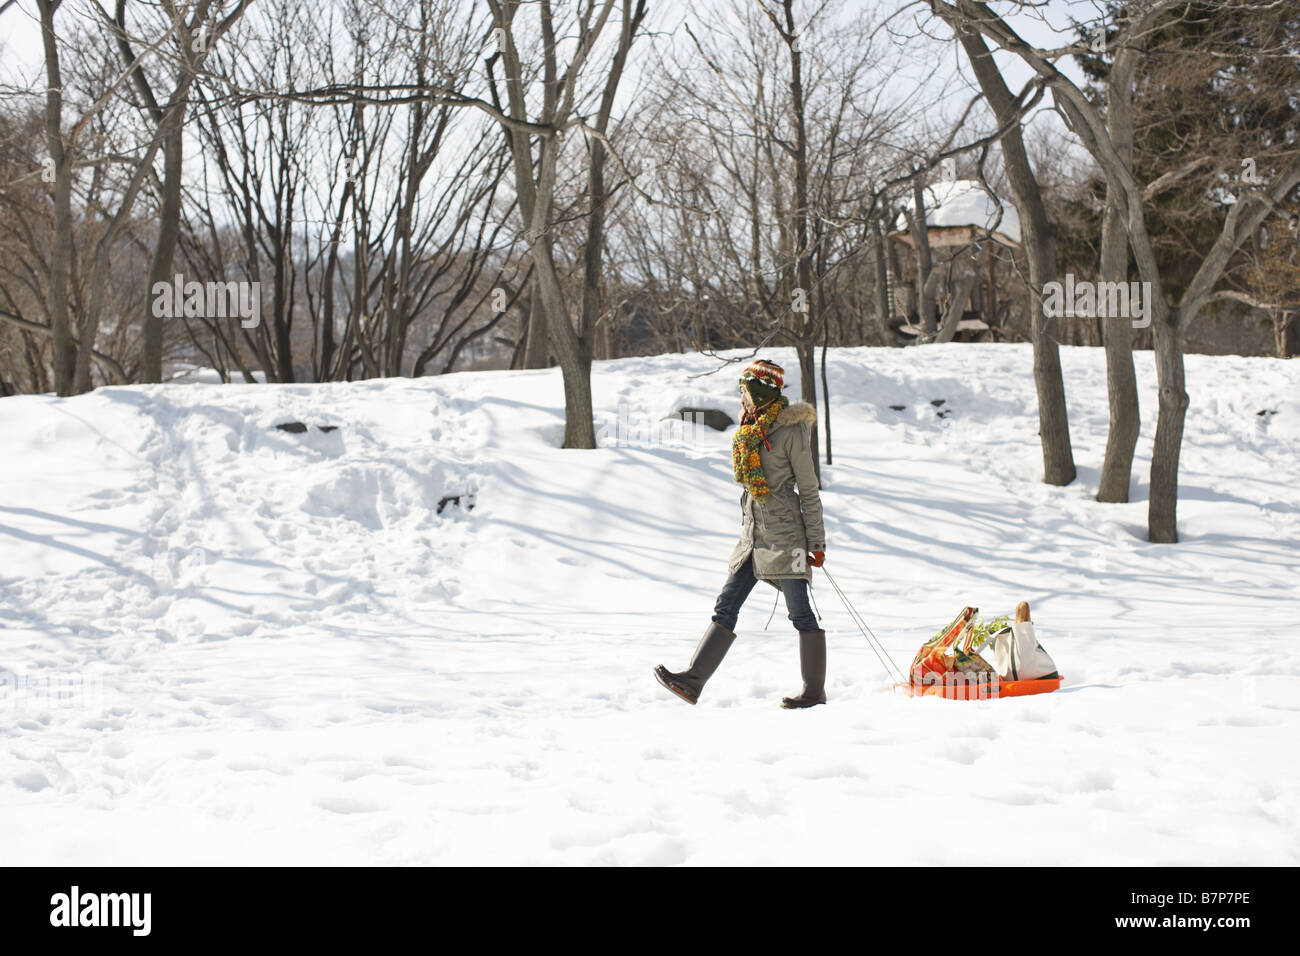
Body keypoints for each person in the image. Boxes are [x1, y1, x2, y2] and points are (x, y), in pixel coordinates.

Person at [654, 358, 827, 709]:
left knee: (800, 615)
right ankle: (693, 681)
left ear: (761, 392)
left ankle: (813, 693)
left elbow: (808, 490)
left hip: (785, 537)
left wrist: (816, 542)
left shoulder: (792, 432)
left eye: (746, 393)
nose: (743, 400)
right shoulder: (750, 431)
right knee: (726, 605)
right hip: (753, 537)